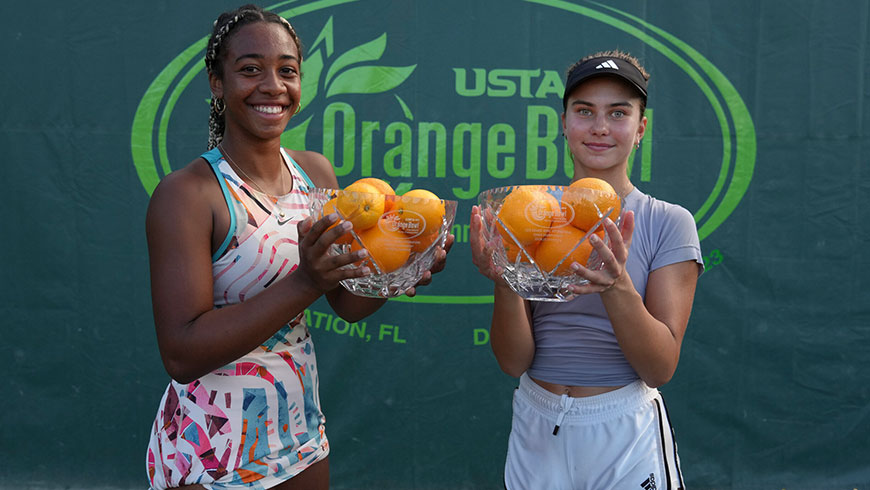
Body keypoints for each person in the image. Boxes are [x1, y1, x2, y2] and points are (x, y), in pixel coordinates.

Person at [143, 5, 452, 489]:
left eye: (287, 71)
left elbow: (347, 303)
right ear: (216, 83)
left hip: (300, 435)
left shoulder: (316, 175)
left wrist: (404, 268)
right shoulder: (188, 193)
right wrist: (306, 280)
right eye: (250, 69)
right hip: (213, 447)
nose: (273, 86)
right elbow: (182, 353)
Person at [470, 50, 703, 489]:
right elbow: (512, 360)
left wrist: (616, 287)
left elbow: (660, 368)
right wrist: (504, 281)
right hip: (536, 424)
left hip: (624, 432)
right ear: (563, 123)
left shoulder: (669, 222)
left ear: (641, 129)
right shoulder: (531, 216)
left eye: (618, 113)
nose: (599, 127)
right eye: (584, 111)